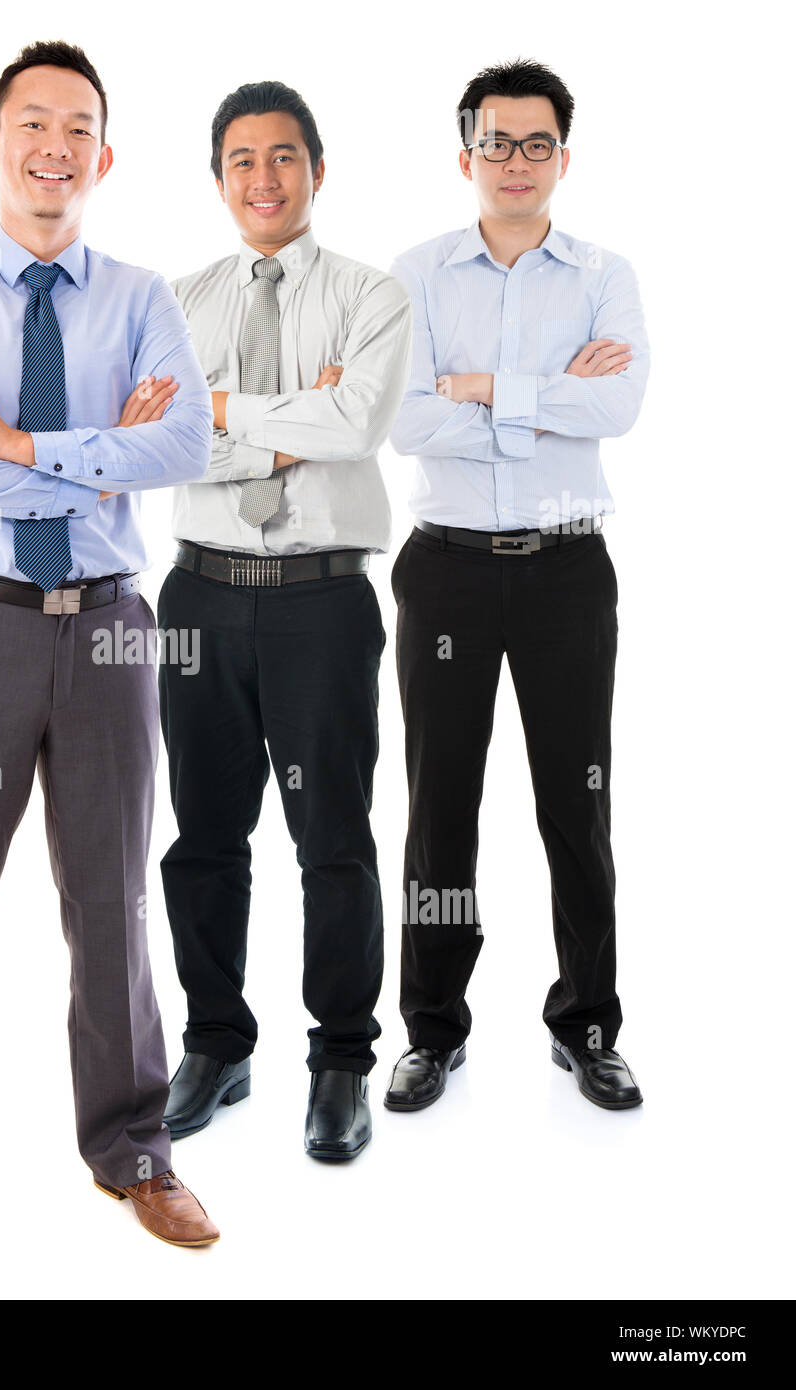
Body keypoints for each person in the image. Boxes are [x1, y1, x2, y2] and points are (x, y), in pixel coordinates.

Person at [0, 40, 219, 1271]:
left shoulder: (143, 294)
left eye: (78, 128)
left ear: (103, 156)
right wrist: (81, 445)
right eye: (33, 124)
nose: (54, 147)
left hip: (115, 623)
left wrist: (15, 431)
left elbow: (180, 448)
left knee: (113, 896)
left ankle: (135, 1149)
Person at [385, 58, 649, 1114]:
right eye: (496, 142)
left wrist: (482, 387)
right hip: (444, 570)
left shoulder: (601, 274)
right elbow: (402, 419)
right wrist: (545, 398)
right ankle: (430, 1029)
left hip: (566, 571)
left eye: (536, 143)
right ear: (465, 154)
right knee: (439, 810)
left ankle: (587, 1022)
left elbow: (618, 406)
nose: (515, 161)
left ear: (562, 158)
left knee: (574, 807)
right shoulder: (413, 272)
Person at [158, 81, 411, 1161]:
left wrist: (220, 411)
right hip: (198, 595)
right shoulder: (175, 302)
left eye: (283, 158)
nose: (263, 179)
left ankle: (341, 1059)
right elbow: (160, 443)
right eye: (241, 161)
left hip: (321, 600)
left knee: (334, 843)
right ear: (218, 178)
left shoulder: (372, 295)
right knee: (204, 837)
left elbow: (358, 423)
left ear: (316, 169)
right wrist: (280, 420)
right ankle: (216, 1041)